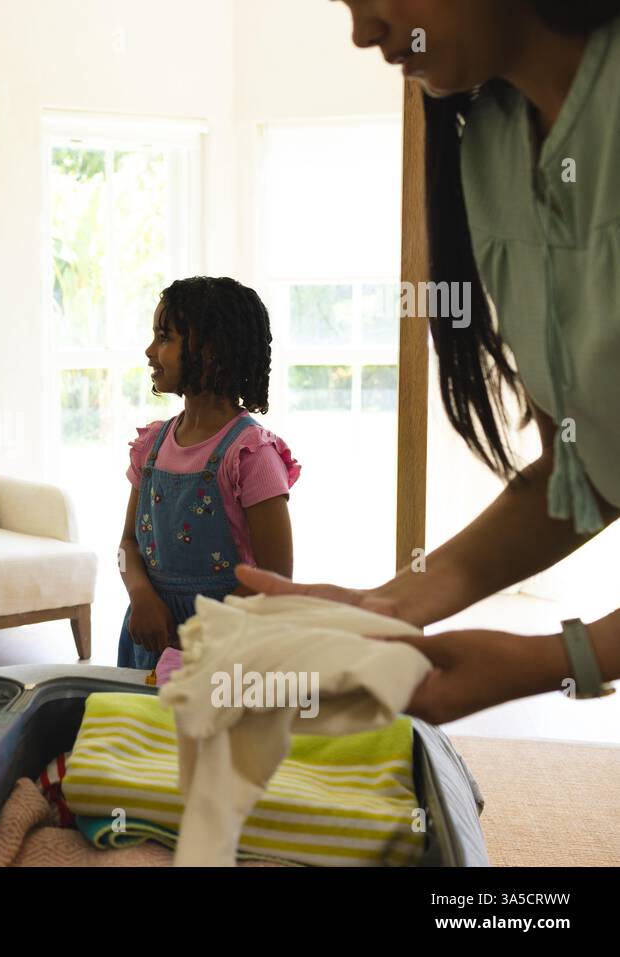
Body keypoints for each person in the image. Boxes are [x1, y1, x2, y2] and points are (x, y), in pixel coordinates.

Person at [239, 0, 620, 724]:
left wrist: (561, 658)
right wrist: (387, 606)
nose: (362, 31)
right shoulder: (492, 144)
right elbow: (584, 474)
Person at [118, 277, 299, 675]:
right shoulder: (150, 445)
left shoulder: (251, 455)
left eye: (164, 337)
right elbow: (127, 545)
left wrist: (198, 632)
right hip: (150, 638)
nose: (150, 352)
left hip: (225, 647)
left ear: (211, 351)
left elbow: (274, 578)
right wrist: (141, 596)